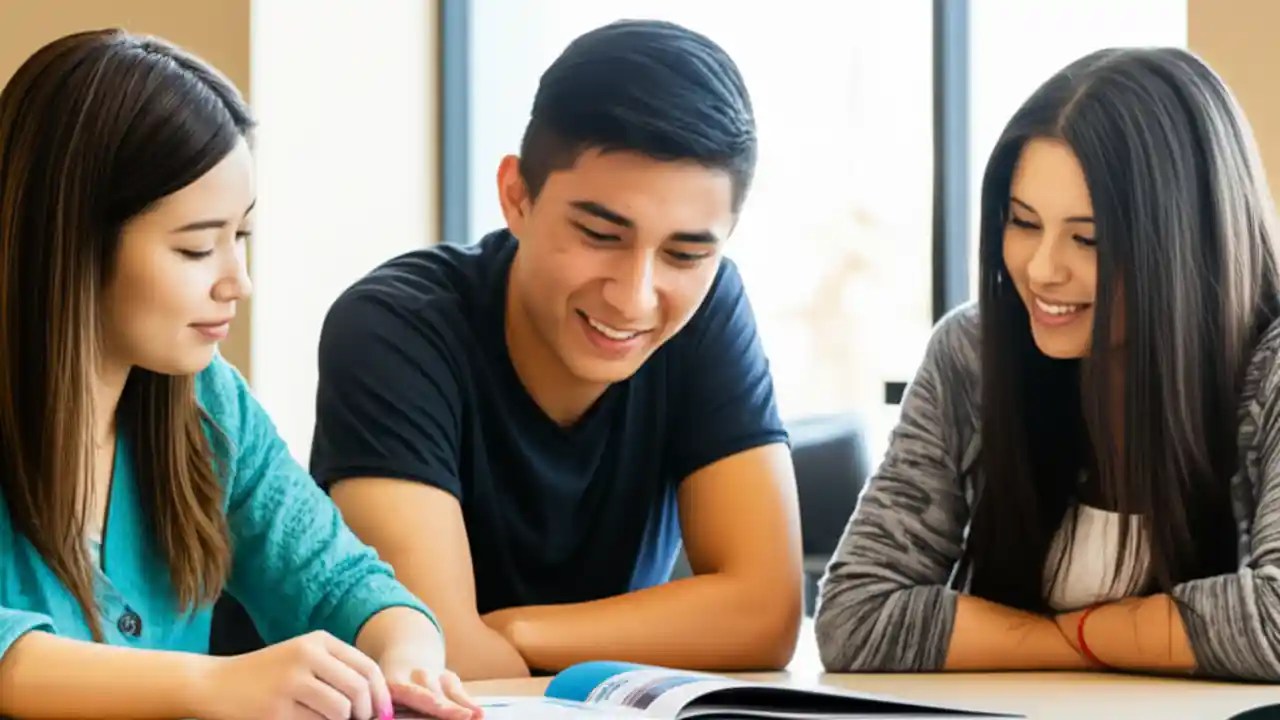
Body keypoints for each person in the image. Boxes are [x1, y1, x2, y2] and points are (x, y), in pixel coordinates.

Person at [0, 29, 482, 719]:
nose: (238, 283)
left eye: (241, 236)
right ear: (72, 241)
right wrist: (211, 685)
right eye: (197, 247)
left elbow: (343, 582)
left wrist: (405, 658)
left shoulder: (207, 402)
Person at [304, 19, 803, 679]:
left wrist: (517, 630)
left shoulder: (708, 310)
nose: (635, 297)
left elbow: (765, 616)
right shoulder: (395, 327)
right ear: (517, 196)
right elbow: (435, 652)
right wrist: (480, 640)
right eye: (600, 234)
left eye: (685, 253)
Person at [814, 46, 1280, 682]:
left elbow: (1275, 623)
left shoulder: (1270, 370)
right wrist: (1087, 642)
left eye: (1087, 239)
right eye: (1023, 222)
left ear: (1184, 242)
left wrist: (1064, 633)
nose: (1041, 270)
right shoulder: (972, 355)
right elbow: (854, 619)